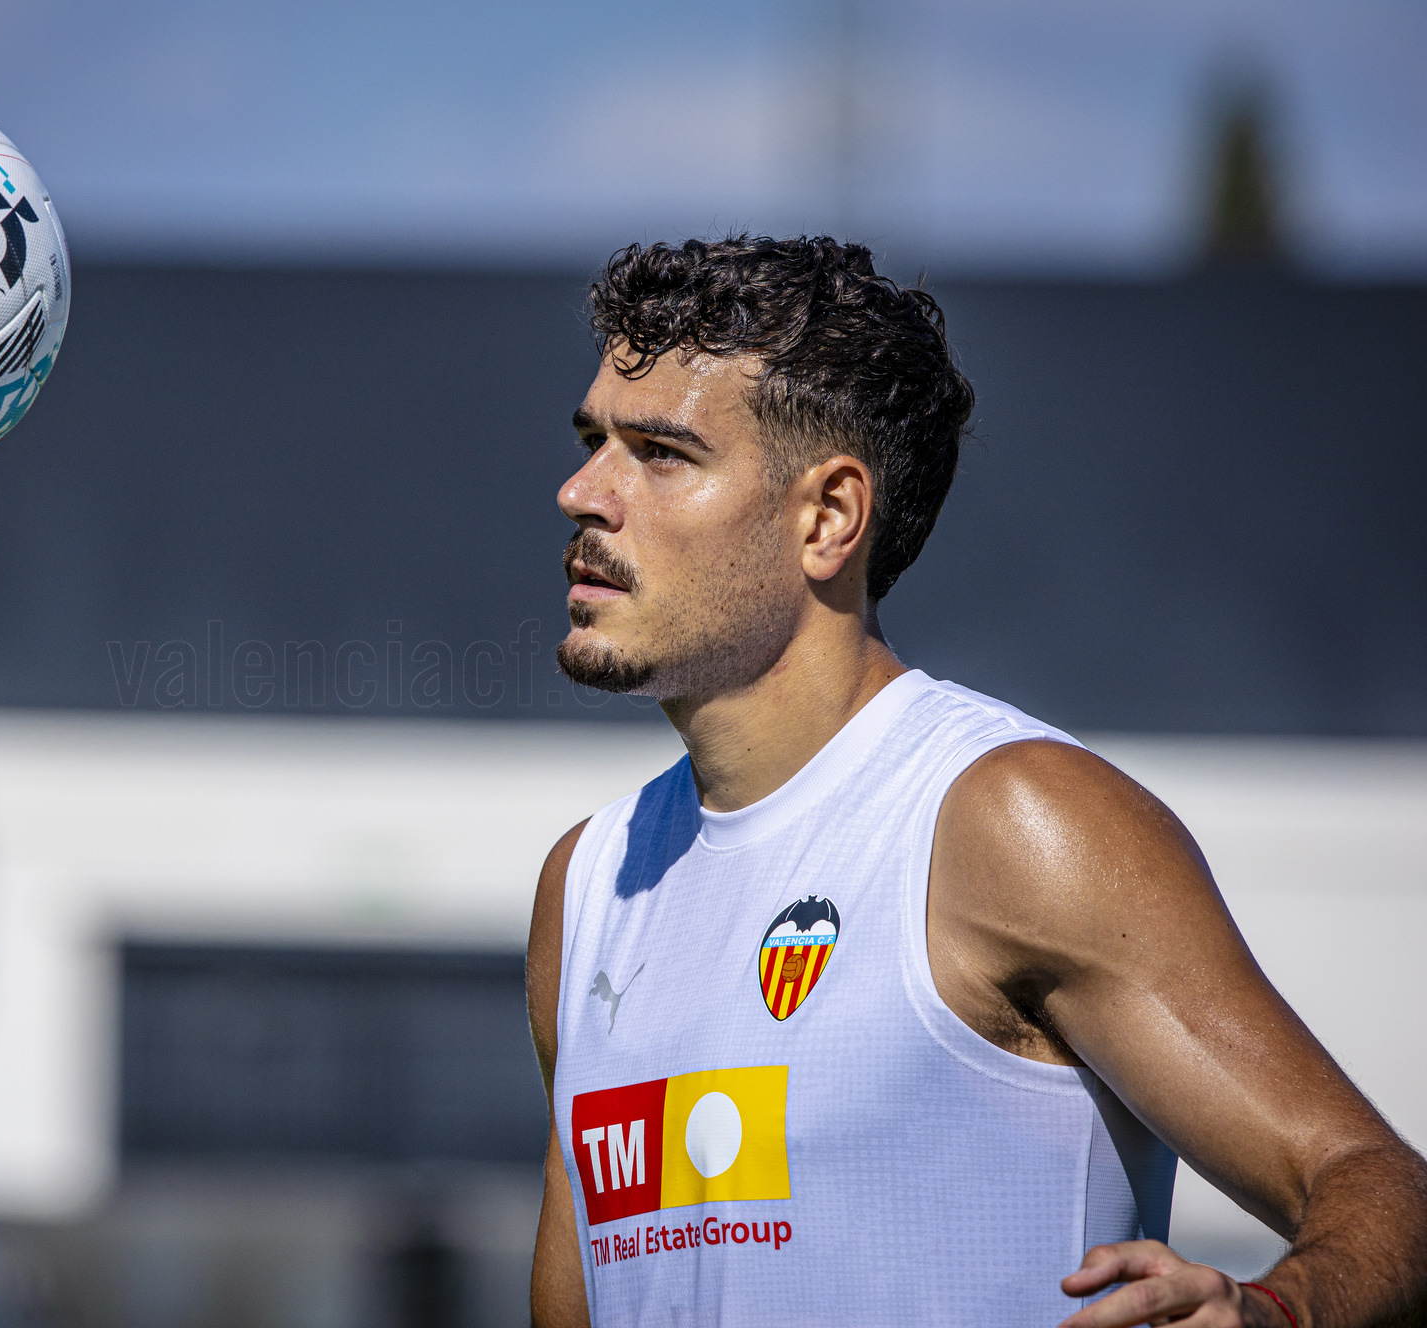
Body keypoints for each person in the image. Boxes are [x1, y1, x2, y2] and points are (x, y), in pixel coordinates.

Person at [525, 235, 1427, 1328]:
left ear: (827, 517)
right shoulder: (588, 888)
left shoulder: (1013, 818)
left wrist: (1279, 1310)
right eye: (593, 442)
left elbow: (1372, 1181)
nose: (581, 491)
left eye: (660, 453)